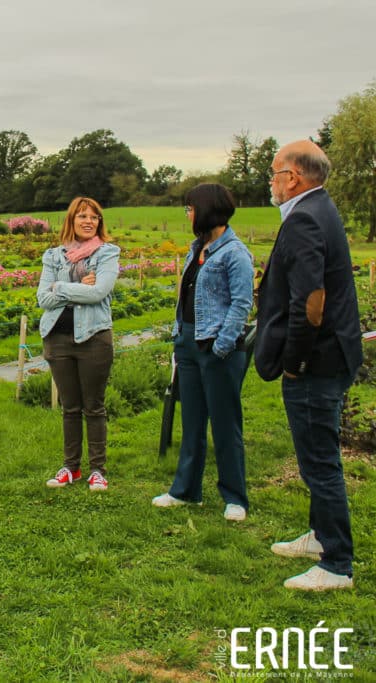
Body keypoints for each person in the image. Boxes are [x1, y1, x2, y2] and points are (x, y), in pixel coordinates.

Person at [255, 140, 362, 591]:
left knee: (319, 460)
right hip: (333, 354)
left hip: (316, 361)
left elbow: (310, 301)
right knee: (317, 453)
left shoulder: (302, 218)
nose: (273, 183)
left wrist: (294, 360)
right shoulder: (321, 208)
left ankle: (337, 563)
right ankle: (321, 536)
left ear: (293, 177)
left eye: (275, 174)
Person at [152, 184, 254, 521]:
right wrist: (180, 336)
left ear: (207, 210)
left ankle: (235, 498)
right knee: (192, 421)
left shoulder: (234, 252)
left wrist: (222, 344)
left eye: (190, 208)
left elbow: (241, 302)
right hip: (189, 346)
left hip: (217, 348)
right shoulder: (196, 249)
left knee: (225, 424)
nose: (188, 214)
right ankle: (186, 491)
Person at [37, 197, 120, 491]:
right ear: (71, 221)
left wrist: (59, 287)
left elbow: (98, 292)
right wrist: (72, 287)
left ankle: (98, 469)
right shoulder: (53, 256)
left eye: (94, 217)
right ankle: (70, 467)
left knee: (93, 407)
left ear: (100, 223)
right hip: (58, 338)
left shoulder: (107, 253)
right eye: (82, 216)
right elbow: (43, 298)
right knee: (70, 407)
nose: (88, 221)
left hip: (94, 338)